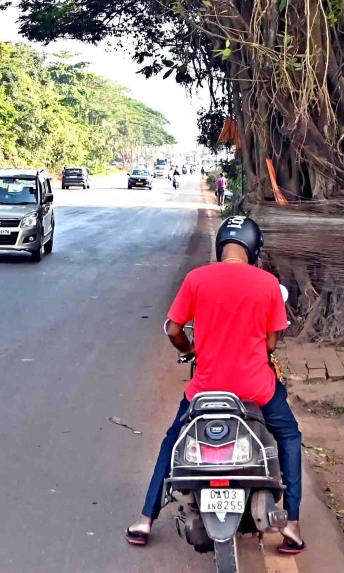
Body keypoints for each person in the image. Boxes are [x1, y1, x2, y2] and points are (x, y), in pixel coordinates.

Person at [125, 215, 305, 555]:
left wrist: (189, 350)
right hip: (256, 389)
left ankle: (145, 519)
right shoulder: (267, 284)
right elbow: (270, 345)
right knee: (290, 437)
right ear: (253, 249)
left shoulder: (197, 279)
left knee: (172, 440)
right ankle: (292, 524)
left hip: (204, 391)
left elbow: (173, 329)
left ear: (221, 245)